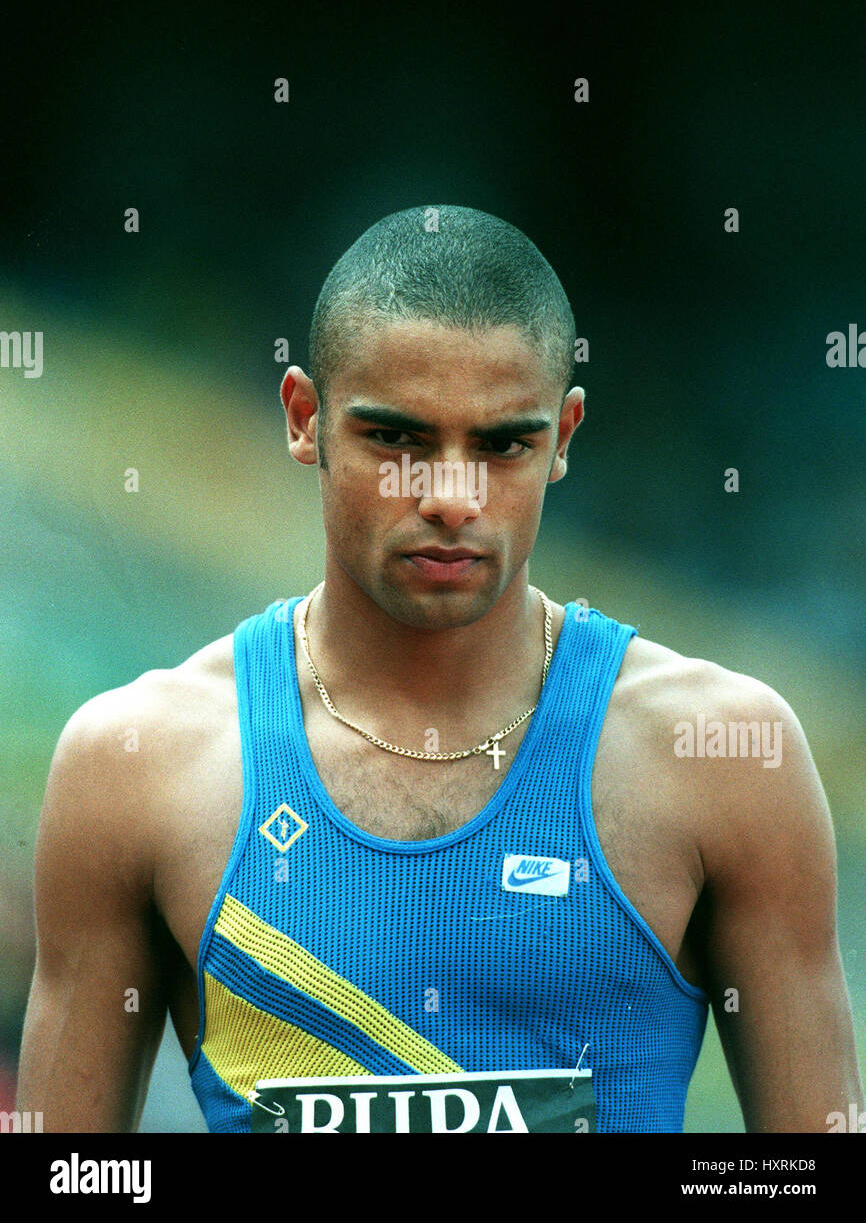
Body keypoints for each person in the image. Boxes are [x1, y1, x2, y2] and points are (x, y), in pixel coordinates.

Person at [16, 205, 863, 1133]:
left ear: (565, 438)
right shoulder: (135, 768)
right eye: (399, 441)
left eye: (502, 446)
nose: (451, 498)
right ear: (305, 419)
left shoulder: (721, 760)